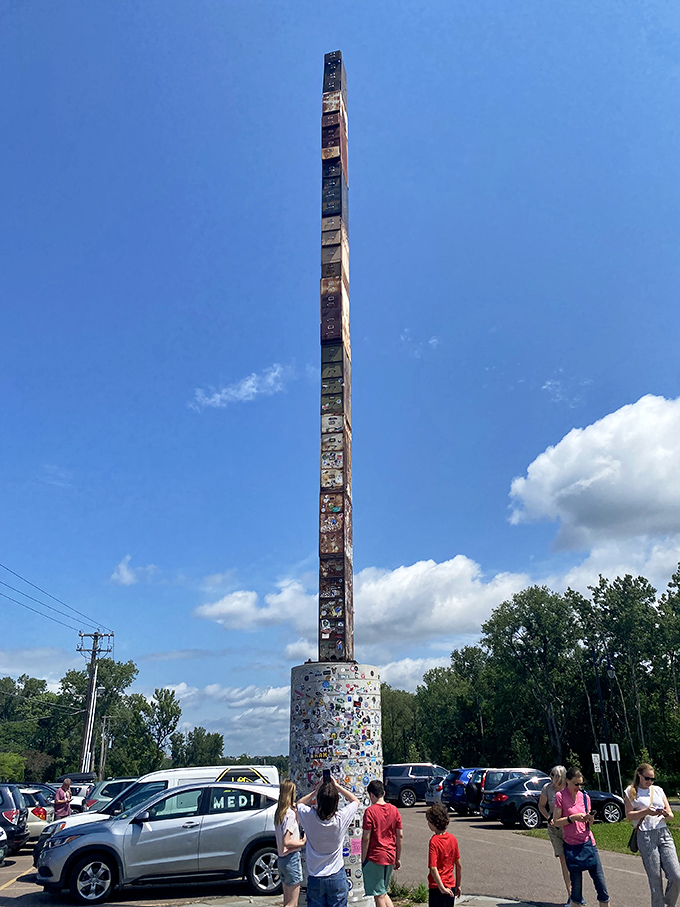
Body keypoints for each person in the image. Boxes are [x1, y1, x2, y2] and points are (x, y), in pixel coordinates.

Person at [297, 777, 359, 907]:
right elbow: (355, 801)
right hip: (336, 874)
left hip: (315, 876)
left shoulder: (310, 817)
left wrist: (316, 790)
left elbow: (299, 804)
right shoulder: (340, 818)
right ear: (336, 802)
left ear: (319, 800)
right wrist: (337, 787)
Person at [624, 762, 680, 907]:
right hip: (645, 834)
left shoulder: (658, 790)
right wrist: (646, 812)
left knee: (676, 875)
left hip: (663, 832)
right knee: (655, 878)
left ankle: (669, 903)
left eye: (652, 779)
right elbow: (629, 815)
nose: (650, 782)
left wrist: (665, 813)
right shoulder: (631, 791)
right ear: (639, 775)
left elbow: (671, 816)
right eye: (647, 778)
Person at [553, 767, 610, 906]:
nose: (579, 787)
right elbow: (556, 822)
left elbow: (589, 821)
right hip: (572, 846)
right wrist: (572, 818)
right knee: (576, 891)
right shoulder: (560, 796)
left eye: (581, 784)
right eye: (576, 784)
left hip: (588, 844)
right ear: (567, 781)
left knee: (601, 886)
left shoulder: (585, 797)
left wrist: (589, 818)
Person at [361, 779, 403, 907]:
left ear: (371, 795)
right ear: (383, 793)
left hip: (375, 856)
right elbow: (400, 835)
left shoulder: (370, 812)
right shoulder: (394, 810)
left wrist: (363, 858)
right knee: (383, 892)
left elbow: (366, 838)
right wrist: (398, 858)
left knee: (378, 895)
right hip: (390, 855)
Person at [538, 765, 574, 907]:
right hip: (555, 829)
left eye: (555, 776)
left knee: (573, 861)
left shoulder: (569, 788)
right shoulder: (547, 788)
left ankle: (577, 893)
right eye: (551, 775)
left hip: (569, 827)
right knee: (564, 861)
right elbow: (541, 806)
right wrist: (548, 817)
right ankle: (571, 895)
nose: (552, 779)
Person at [275, 780, 306, 907]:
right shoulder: (289, 814)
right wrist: (301, 842)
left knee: (286, 900)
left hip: (281, 859)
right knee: (292, 903)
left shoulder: (280, 813)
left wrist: (296, 817)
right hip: (291, 858)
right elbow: (287, 841)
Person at [426, 802, 462, 907]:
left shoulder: (434, 841)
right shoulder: (452, 839)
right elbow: (458, 865)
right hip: (451, 884)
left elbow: (433, 868)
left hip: (437, 887)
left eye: (429, 821)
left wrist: (441, 887)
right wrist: (458, 885)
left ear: (434, 823)